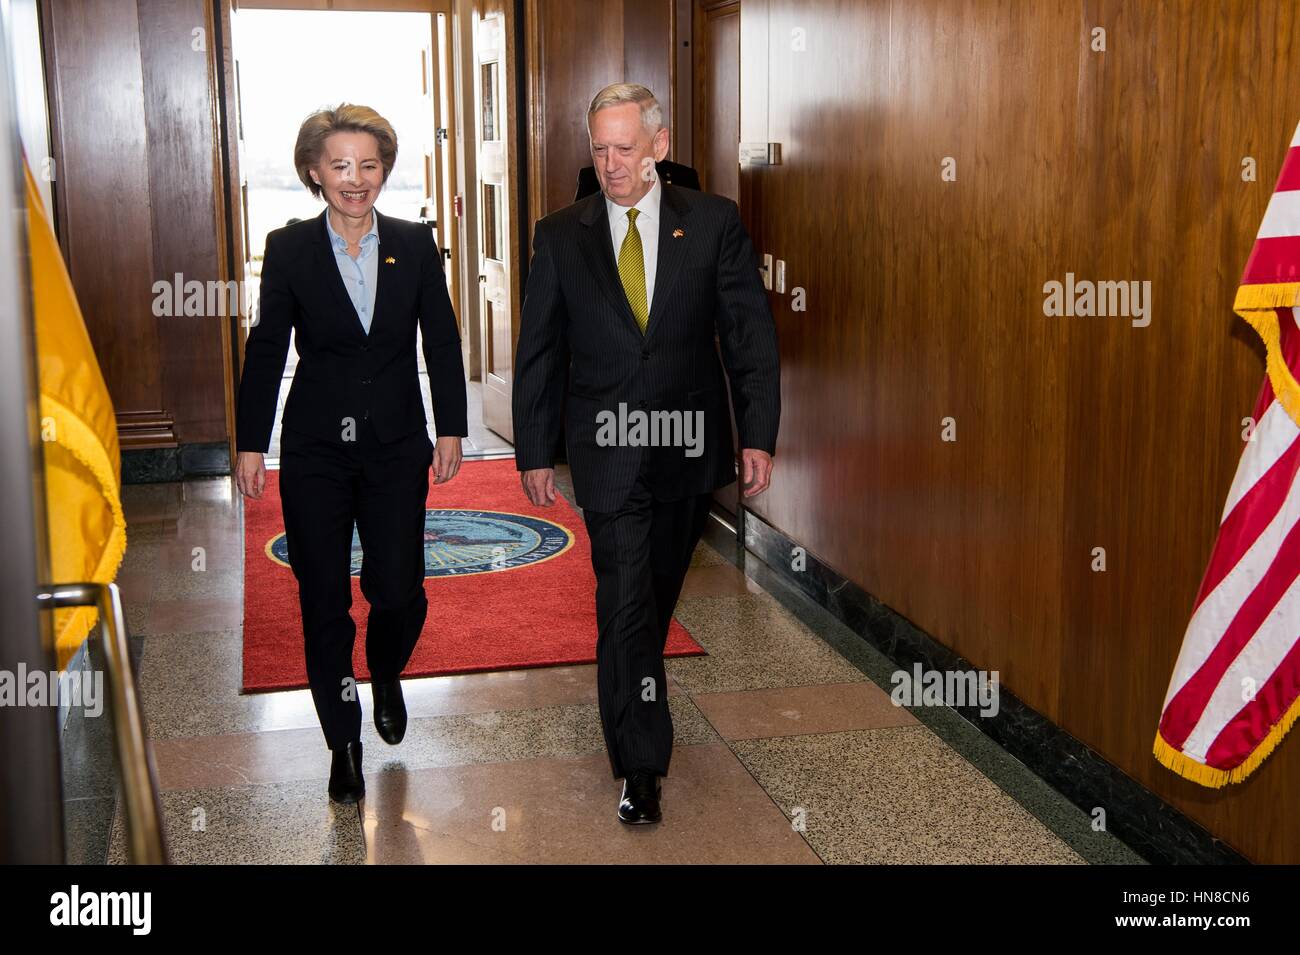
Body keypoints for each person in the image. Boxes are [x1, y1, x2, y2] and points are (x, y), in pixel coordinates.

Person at [512, 83, 780, 824]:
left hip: (688, 449)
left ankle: (637, 684)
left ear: (659, 145)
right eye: (598, 148)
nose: (610, 164)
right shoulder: (562, 233)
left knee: (654, 596)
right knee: (625, 600)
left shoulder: (714, 222)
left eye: (625, 148)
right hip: (605, 448)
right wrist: (535, 448)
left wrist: (757, 431)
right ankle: (640, 762)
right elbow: (538, 351)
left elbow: (748, 334)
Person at [234, 103, 467, 804]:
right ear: (314, 170)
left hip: (397, 444)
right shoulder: (289, 248)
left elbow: (443, 339)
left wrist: (451, 425)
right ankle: (343, 736)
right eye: (340, 165)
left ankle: (387, 667)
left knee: (399, 589)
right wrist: (251, 439)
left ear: (384, 170)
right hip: (315, 450)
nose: (355, 179)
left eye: (368, 164)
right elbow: (267, 346)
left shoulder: (415, 243)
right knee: (322, 596)